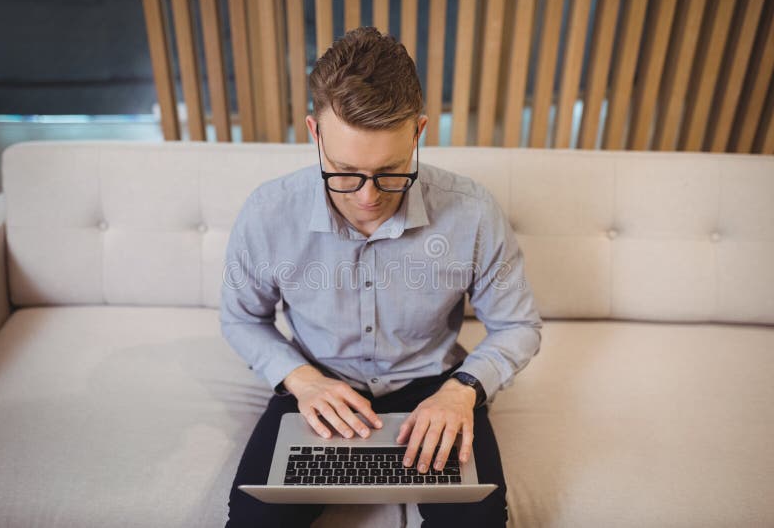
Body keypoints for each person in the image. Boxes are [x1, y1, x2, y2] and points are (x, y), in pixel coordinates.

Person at [220, 26, 542, 528]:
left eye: (391, 171)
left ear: (418, 132)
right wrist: (302, 381)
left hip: (435, 385)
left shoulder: (473, 212)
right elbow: (242, 319)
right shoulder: (267, 213)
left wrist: (462, 391)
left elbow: (518, 326)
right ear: (314, 133)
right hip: (317, 385)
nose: (367, 198)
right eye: (344, 171)